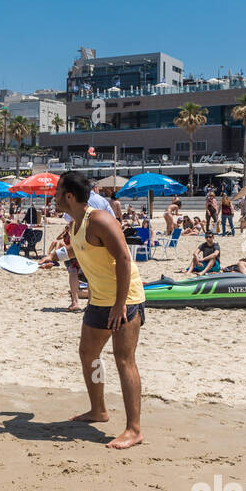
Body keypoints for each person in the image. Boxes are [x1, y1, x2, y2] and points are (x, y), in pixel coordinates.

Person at [53, 171, 145, 451]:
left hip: (124, 299)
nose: (54, 197)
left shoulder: (100, 219)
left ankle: (134, 429)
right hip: (100, 301)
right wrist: (51, 257)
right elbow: (78, 249)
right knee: (88, 353)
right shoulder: (76, 223)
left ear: (69, 196)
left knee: (123, 360)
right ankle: (98, 411)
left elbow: (124, 257)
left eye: (57, 192)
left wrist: (120, 305)